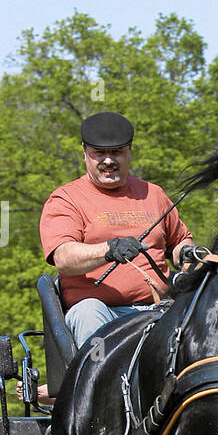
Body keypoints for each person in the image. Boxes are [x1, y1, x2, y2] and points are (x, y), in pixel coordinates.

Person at [39, 111, 196, 350]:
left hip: (161, 309)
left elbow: (181, 240)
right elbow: (64, 258)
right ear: (85, 152)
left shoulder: (153, 194)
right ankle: (100, 386)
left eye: (116, 153)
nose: (108, 161)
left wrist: (187, 257)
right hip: (102, 313)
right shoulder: (66, 199)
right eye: (99, 153)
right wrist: (109, 250)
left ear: (129, 150)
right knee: (87, 312)